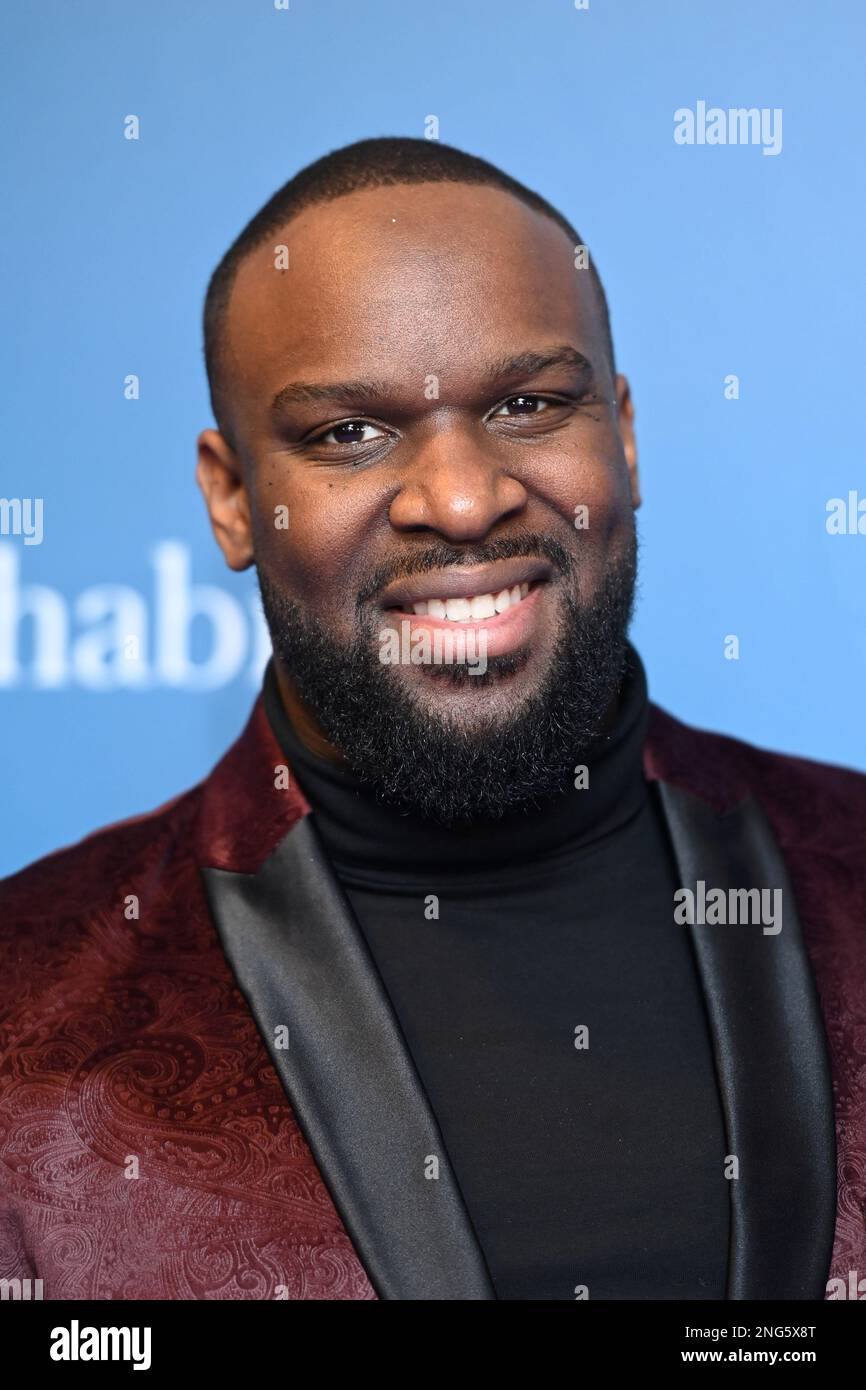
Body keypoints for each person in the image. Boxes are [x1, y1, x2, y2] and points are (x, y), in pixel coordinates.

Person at [1, 137, 864, 1302]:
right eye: (348, 433)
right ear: (231, 496)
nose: (461, 501)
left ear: (622, 433)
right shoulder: (26, 1016)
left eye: (526, 404)